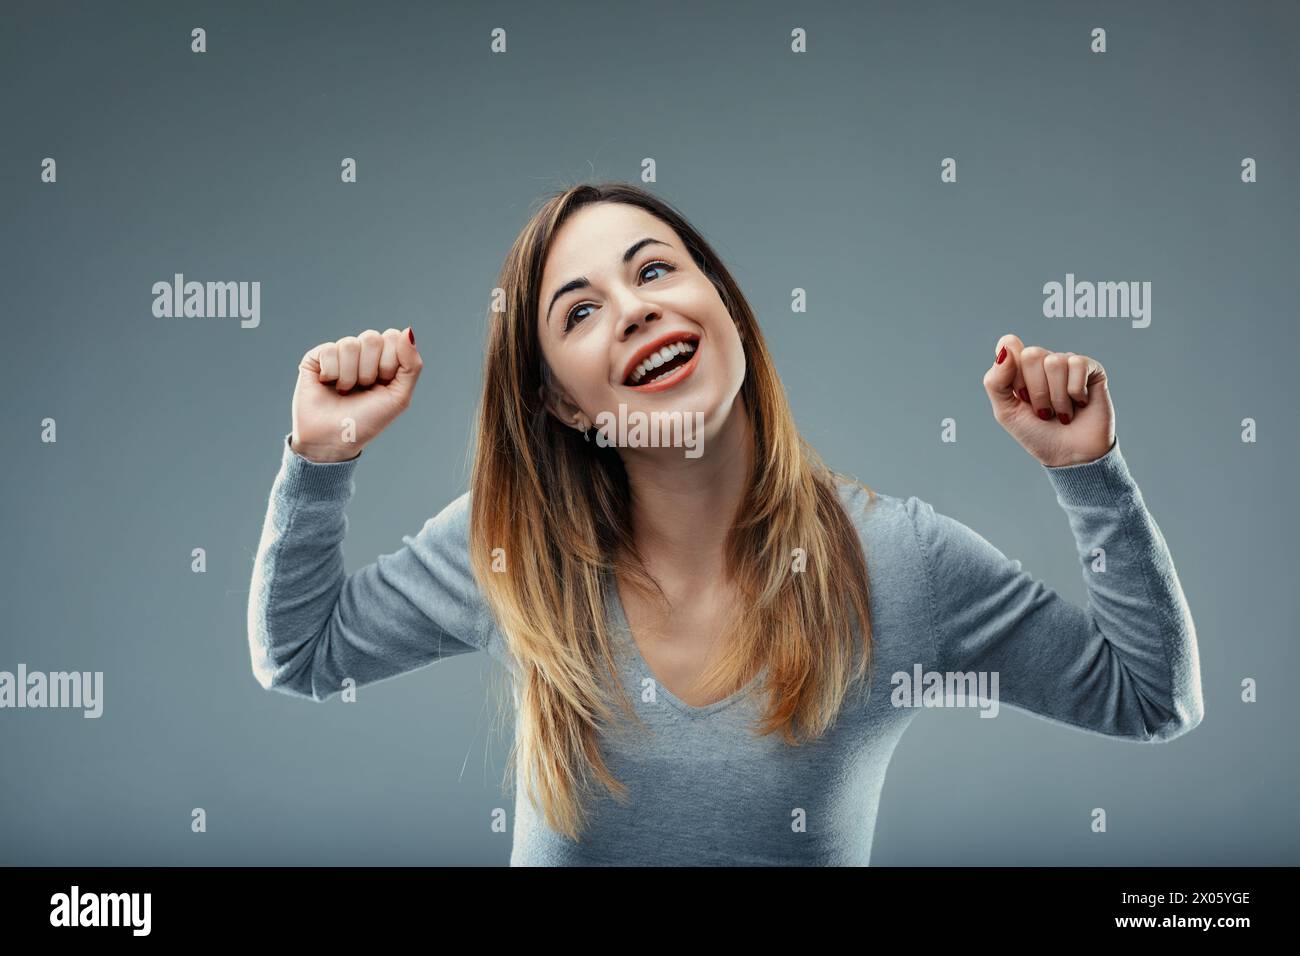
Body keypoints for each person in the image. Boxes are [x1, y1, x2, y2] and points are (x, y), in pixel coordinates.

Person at [247, 181, 1203, 866]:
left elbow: (1152, 699)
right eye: (580, 312)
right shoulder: (513, 548)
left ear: (723, 305)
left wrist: (1090, 475)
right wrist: (320, 459)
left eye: (655, 268)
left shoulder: (899, 563)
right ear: (564, 406)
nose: (634, 309)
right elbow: (299, 654)